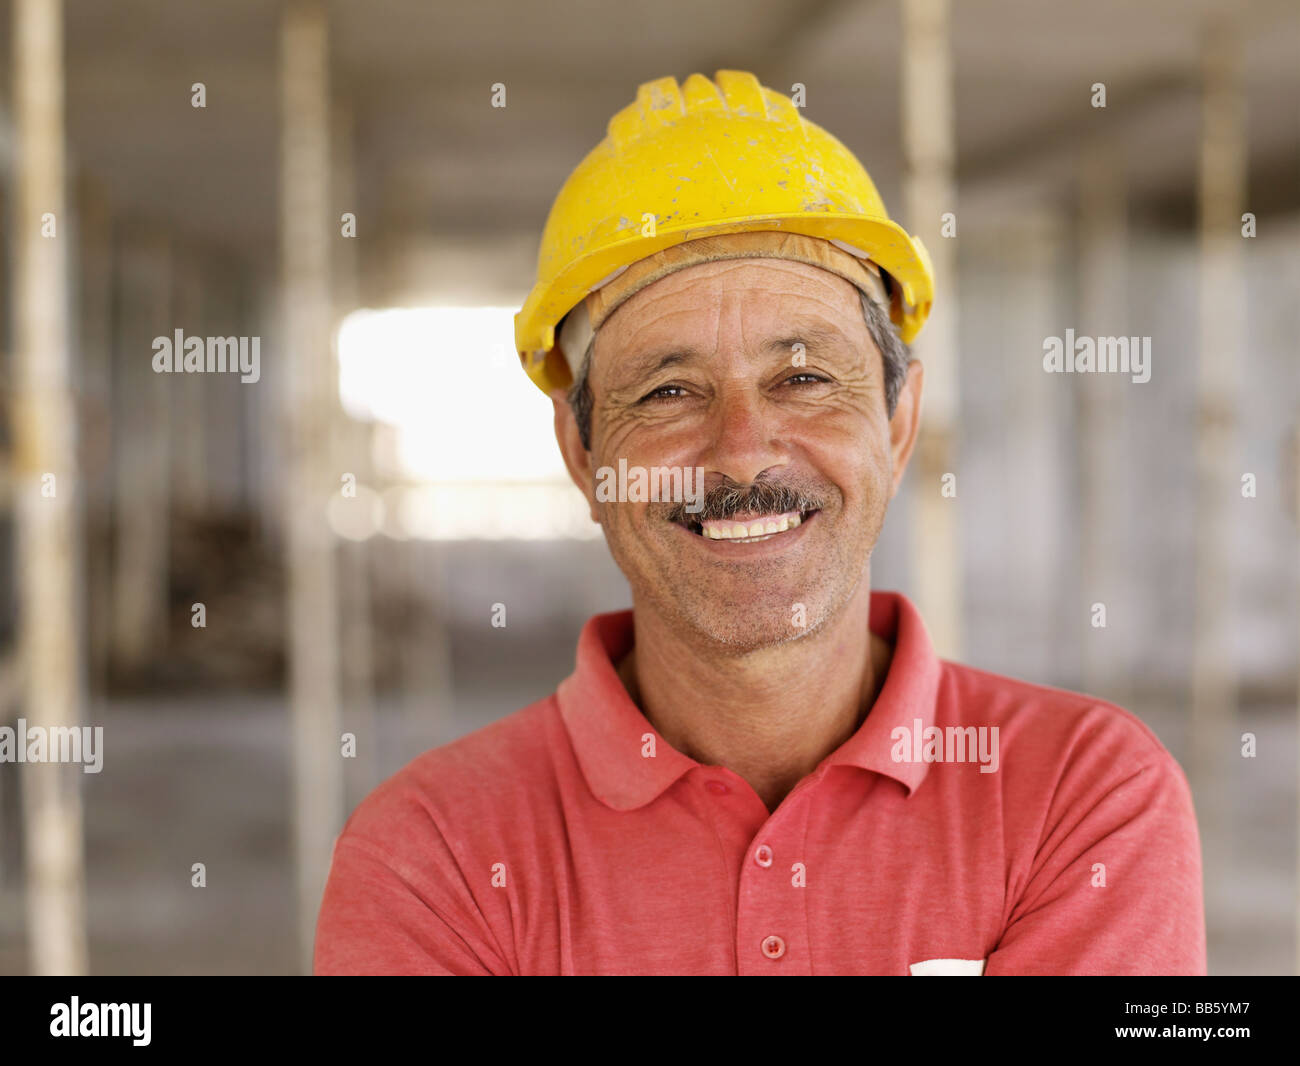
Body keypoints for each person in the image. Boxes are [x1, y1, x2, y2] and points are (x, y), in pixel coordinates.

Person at [314, 70, 1205, 975]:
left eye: (805, 378)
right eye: (667, 391)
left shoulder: (1086, 795)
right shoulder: (433, 858)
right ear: (584, 459)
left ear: (897, 428)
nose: (742, 451)